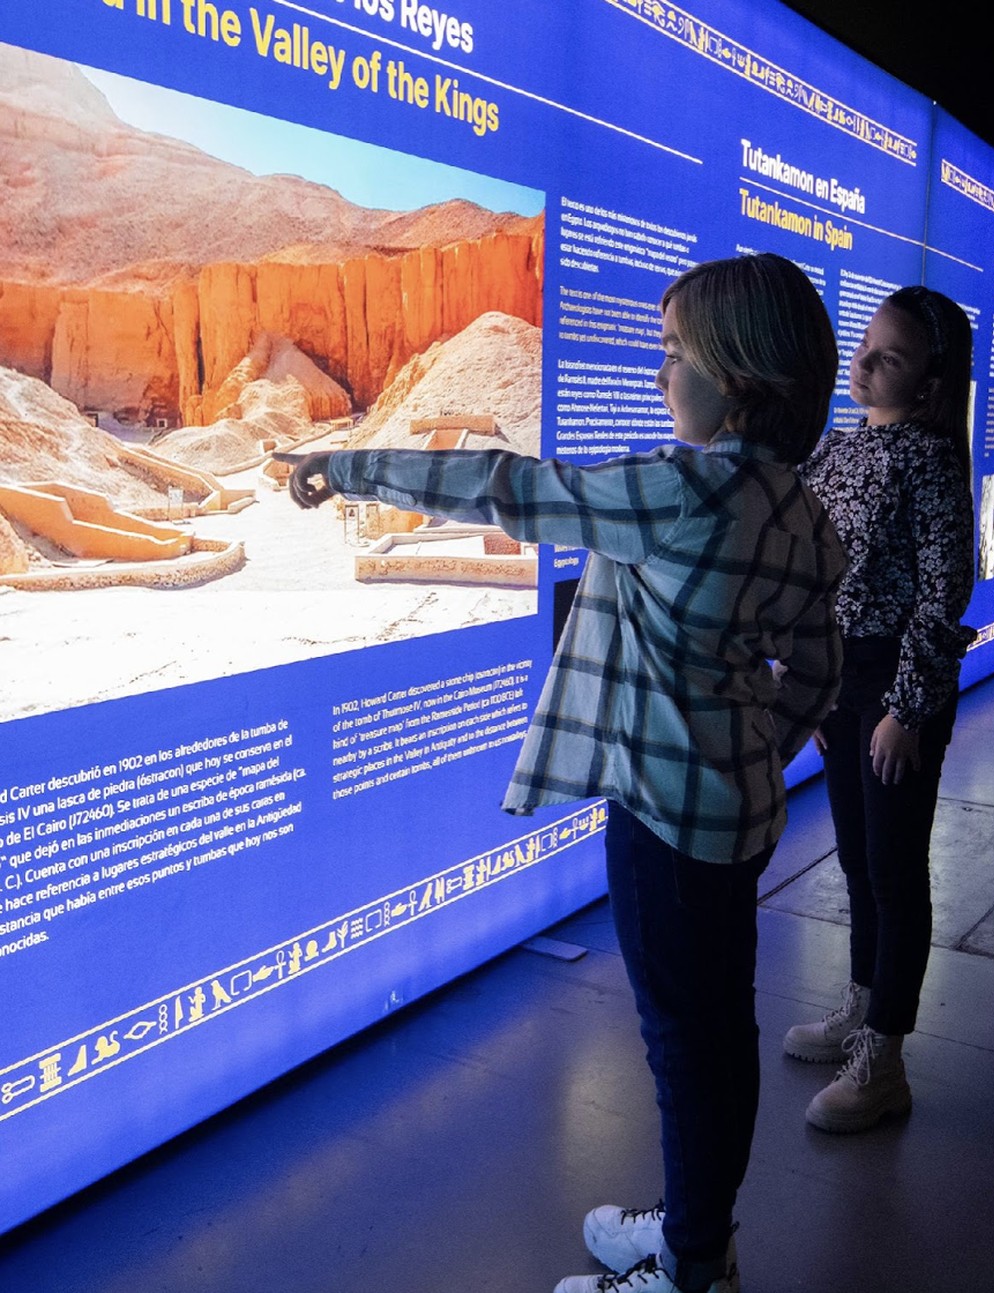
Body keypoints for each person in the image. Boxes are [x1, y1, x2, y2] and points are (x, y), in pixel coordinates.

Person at [286, 252, 845, 1293]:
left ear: (738, 374)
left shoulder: (680, 491)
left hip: (663, 824)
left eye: (674, 352)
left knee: (681, 1046)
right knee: (718, 1031)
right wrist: (750, 753)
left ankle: (690, 1268)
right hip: (737, 813)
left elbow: (511, 489)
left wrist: (352, 467)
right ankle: (695, 1229)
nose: (659, 373)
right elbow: (816, 672)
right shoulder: (802, 512)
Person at [783, 285, 976, 1134]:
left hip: (899, 686)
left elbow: (944, 593)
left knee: (896, 871)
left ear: (929, 381)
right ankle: (861, 1005)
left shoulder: (930, 460)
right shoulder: (839, 446)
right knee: (859, 861)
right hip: (840, 679)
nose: (862, 364)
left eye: (888, 357)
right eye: (865, 345)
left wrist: (906, 710)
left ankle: (885, 1059)